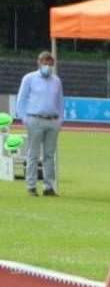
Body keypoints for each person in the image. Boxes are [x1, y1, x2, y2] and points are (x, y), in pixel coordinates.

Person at [15, 50, 63, 197]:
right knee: (33, 154)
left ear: (53, 64)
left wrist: (60, 119)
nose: (47, 65)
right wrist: (24, 118)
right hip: (35, 119)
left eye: (49, 63)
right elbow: (21, 99)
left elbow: (60, 101)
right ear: (39, 63)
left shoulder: (56, 80)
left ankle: (48, 186)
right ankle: (31, 186)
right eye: (44, 62)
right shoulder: (29, 78)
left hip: (52, 120)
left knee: (49, 155)